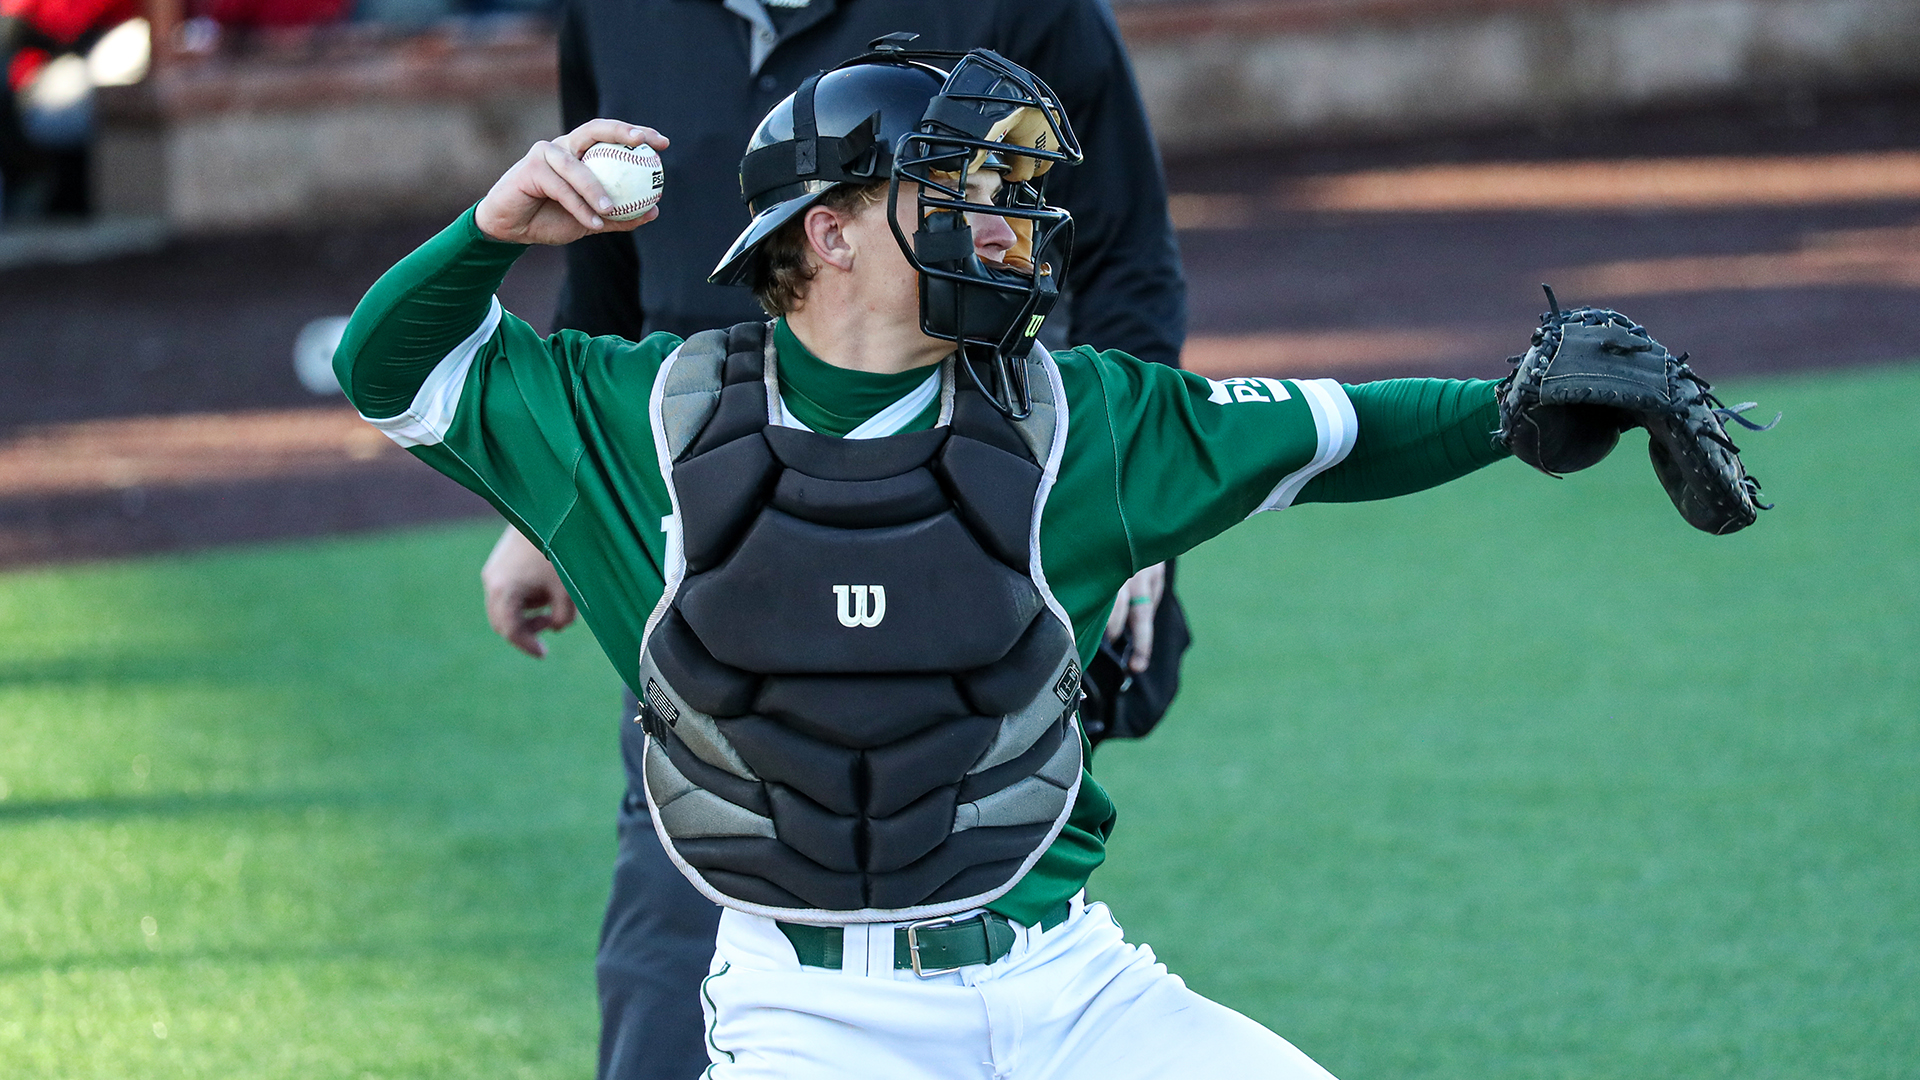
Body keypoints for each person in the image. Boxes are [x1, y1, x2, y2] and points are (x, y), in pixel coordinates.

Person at [336, 43, 1712, 1079]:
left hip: (1069, 990)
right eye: (959, 191)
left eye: (1006, 195)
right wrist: (491, 228)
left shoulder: (1074, 416)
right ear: (828, 230)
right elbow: (388, 371)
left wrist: (1511, 405)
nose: (1007, 226)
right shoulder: (638, 420)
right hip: (810, 1019)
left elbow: (1336, 429)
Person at [479, 7, 1190, 1077]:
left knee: (969, 948)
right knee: (665, 975)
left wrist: (1135, 505)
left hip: (976, 537)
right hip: (711, 551)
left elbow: (1128, 257)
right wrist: (541, 510)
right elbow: (608, 273)